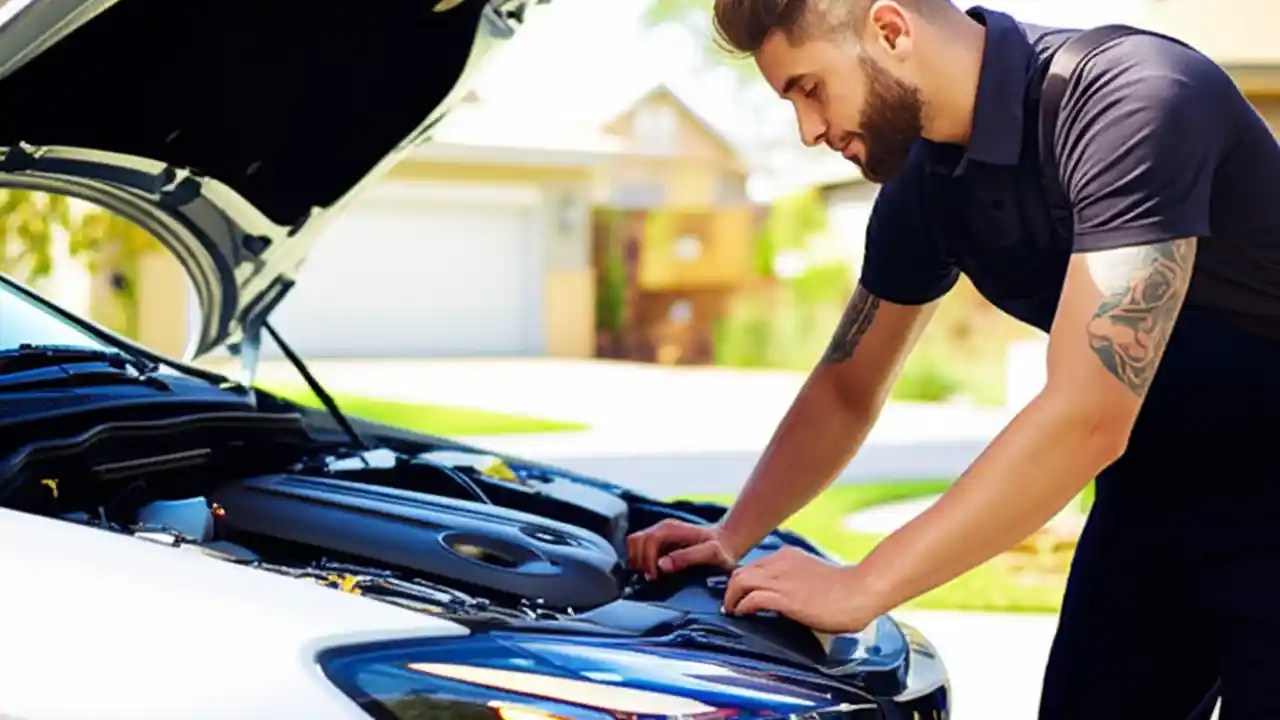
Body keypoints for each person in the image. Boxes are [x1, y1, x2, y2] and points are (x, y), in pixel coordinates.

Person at [624, 1, 1280, 717]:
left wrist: (861, 584)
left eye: (809, 89)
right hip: (1150, 502)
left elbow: (1087, 415)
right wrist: (732, 534)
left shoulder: (1131, 99)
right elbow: (848, 385)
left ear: (891, 29)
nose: (808, 131)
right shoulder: (929, 186)